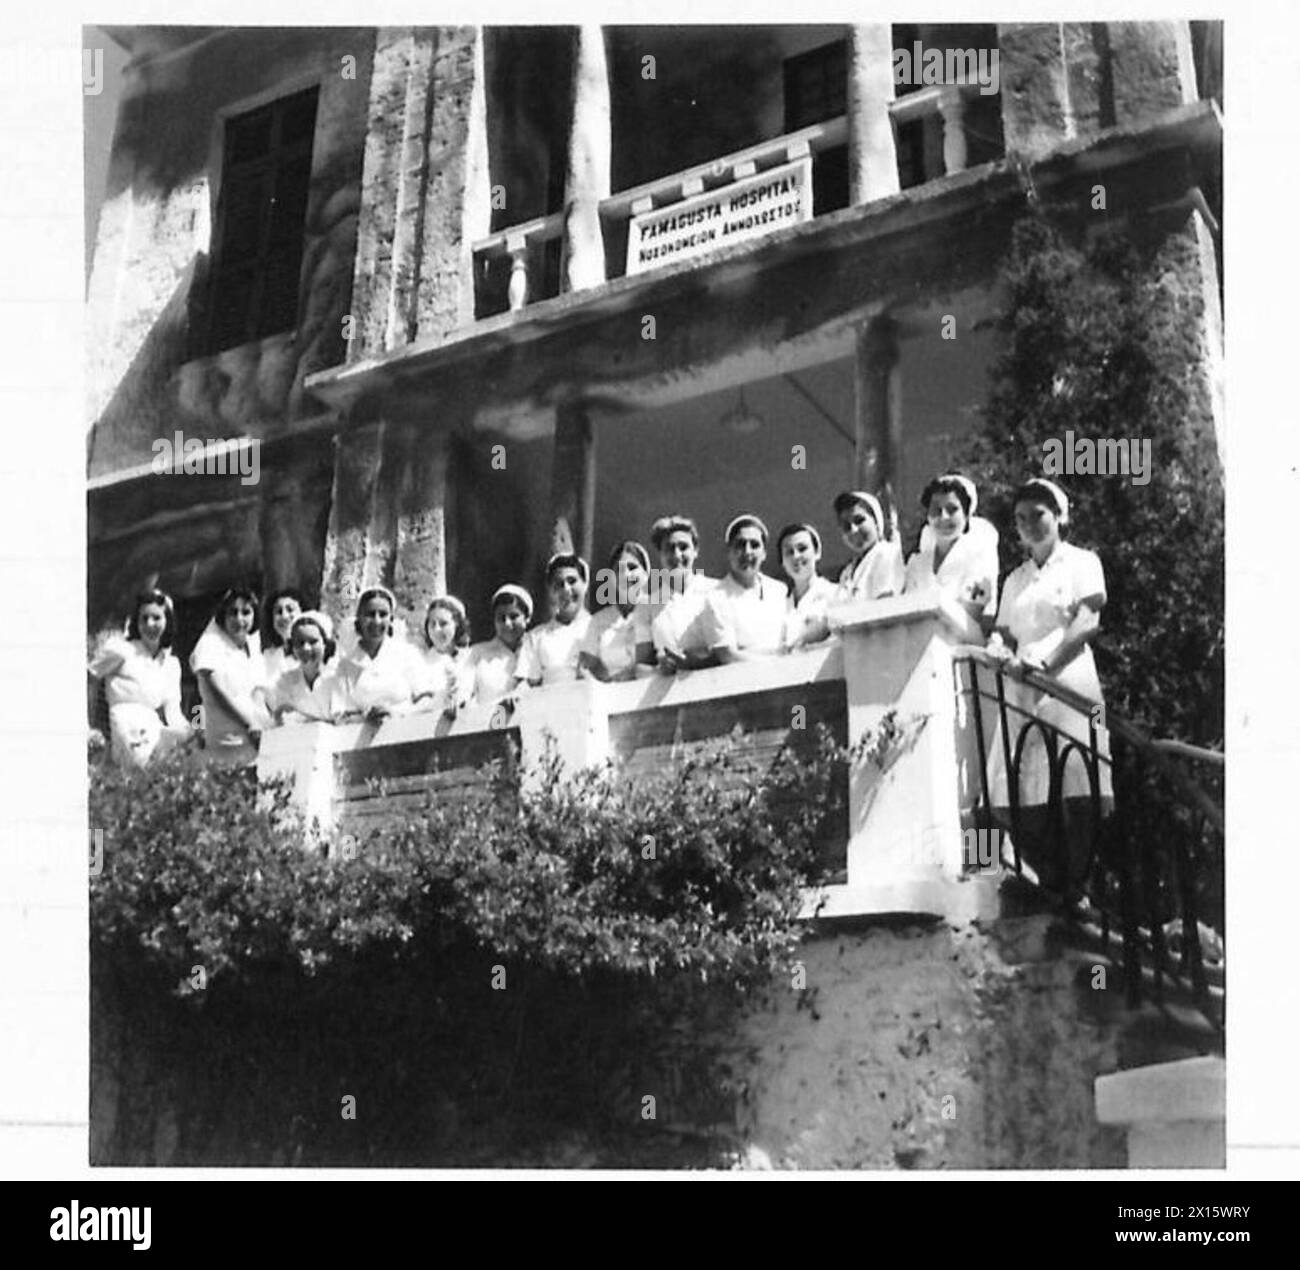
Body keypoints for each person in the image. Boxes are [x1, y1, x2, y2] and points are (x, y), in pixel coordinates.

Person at [986, 478, 1113, 888]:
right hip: (1022, 684)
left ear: (1059, 517)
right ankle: (1044, 879)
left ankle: (1081, 886)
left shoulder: (1082, 562)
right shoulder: (1015, 579)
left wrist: (1047, 661)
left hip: (1069, 681)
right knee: (1020, 782)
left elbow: (1087, 621)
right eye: (1021, 519)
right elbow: (1005, 632)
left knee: (1077, 780)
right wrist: (998, 646)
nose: (1029, 525)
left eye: (1038, 515)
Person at [87, 588, 191, 769]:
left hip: (152, 727)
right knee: (144, 768)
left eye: (157, 618)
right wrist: (88, 726)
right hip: (124, 725)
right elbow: (89, 679)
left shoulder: (171, 664)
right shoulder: (121, 650)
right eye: (144, 618)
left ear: (167, 621)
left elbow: (173, 713)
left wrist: (191, 733)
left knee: (183, 760)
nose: (150, 624)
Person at [903, 473, 1000, 641]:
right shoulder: (917, 563)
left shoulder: (979, 556)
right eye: (936, 510)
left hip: (963, 648)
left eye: (952, 509)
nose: (943, 517)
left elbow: (971, 615)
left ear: (967, 514)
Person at [190, 585, 267, 765]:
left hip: (255, 737)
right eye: (233, 613)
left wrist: (261, 723)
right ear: (223, 616)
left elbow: (258, 691)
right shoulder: (211, 646)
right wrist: (197, 726)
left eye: (246, 612)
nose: (239, 619)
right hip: (226, 740)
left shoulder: (252, 645)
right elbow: (210, 694)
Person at [699, 514, 787, 664]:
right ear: (729, 552)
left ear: (764, 553)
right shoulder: (715, 597)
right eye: (740, 544)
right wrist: (774, 666)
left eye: (754, 545)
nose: (747, 552)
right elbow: (727, 655)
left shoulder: (779, 590)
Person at [336, 586, 426, 721]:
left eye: (383, 614)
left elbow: (425, 699)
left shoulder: (408, 654)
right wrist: (366, 717)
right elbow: (340, 714)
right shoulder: (346, 665)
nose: (377, 621)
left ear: (391, 619)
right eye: (370, 614)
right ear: (359, 618)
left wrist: (396, 712)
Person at [648, 514, 718, 672]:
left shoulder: (716, 591)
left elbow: (728, 651)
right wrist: (660, 666)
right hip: (669, 692)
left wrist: (698, 661)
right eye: (669, 548)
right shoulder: (650, 604)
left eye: (683, 547)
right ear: (660, 555)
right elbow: (642, 664)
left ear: (696, 551)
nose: (677, 555)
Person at [578, 541, 654, 681]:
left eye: (632, 567)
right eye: (619, 570)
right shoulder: (599, 620)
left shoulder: (656, 610)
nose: (626, 575)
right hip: (611, 696)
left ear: (646, 573)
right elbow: (585, 667)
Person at [516, 553, 593, 687]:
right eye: (558, 584)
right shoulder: (535, 637)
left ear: (585, 584)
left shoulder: (602, 628)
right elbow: (527, 685)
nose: (566, 589)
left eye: (572, 581)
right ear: (551, 591)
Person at [462, 584, 533, 708]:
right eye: (501, 618)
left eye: (513, 616)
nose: (507, 623)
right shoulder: (476, 653)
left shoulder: (535, 647)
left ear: (527, 618)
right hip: (492, 722)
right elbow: (464, 691)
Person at [267, 611, 344, 724]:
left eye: (313, 642)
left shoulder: (337, 677)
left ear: (325, 644)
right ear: (293, 648)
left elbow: (342, 719)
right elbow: (283, 720)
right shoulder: (285, 682)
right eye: (300, 643)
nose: (306, 648)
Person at [832, 490, 904, 603]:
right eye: (846, 526)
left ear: (876, 521)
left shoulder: (889, 554)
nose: (853, 530)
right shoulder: (847, 573)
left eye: (859, 520)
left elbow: (885, 606)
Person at [775, 522, 838, 652]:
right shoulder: (779, 605)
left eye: (802, 548)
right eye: (789, 552)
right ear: (782, 562)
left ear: (817, 552)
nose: (796, 556)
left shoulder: (835, 595)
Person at [419, 595, 472, 717]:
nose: (437, 630)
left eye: (443, 624)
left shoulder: (471, 657)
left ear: (457, 624)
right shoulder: (422, 664)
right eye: (432, 624)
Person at [261, 587, 306, 684]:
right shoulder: (267, 657)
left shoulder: (314, 652)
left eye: (290, 610)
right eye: (278, 611)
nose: (284, 616)